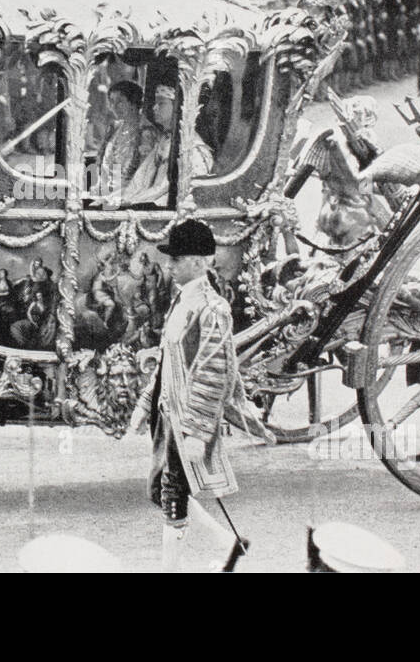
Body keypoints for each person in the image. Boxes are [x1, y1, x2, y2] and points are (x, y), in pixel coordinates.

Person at [129, 219, 274, 571]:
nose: (169, 266)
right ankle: (229, 545)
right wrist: (146, 402)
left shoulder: (213, 310)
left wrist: (196, 430)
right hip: (168, 415)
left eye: (175, 259)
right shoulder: (182, 302)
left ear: (196, 262)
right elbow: (168, 360)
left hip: (188, 420)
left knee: (173, 494)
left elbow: (214, 373)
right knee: (158, 489)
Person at [103, 83, 211, 207]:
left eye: (161, 104)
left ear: (178, 107)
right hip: (141, 197)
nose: (154, 108)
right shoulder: (165, 140)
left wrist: (130, 200)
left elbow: (164, 187)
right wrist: (124, 197)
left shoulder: (190, 147)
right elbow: (141, 178)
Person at [95, 79, 148, 196]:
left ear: (133, 103)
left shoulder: (146, 132)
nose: (113, 106)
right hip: (105, 190)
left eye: (120, 102)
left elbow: (144, 175)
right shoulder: (114, 127)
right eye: (112, 101)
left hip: (129, 194)